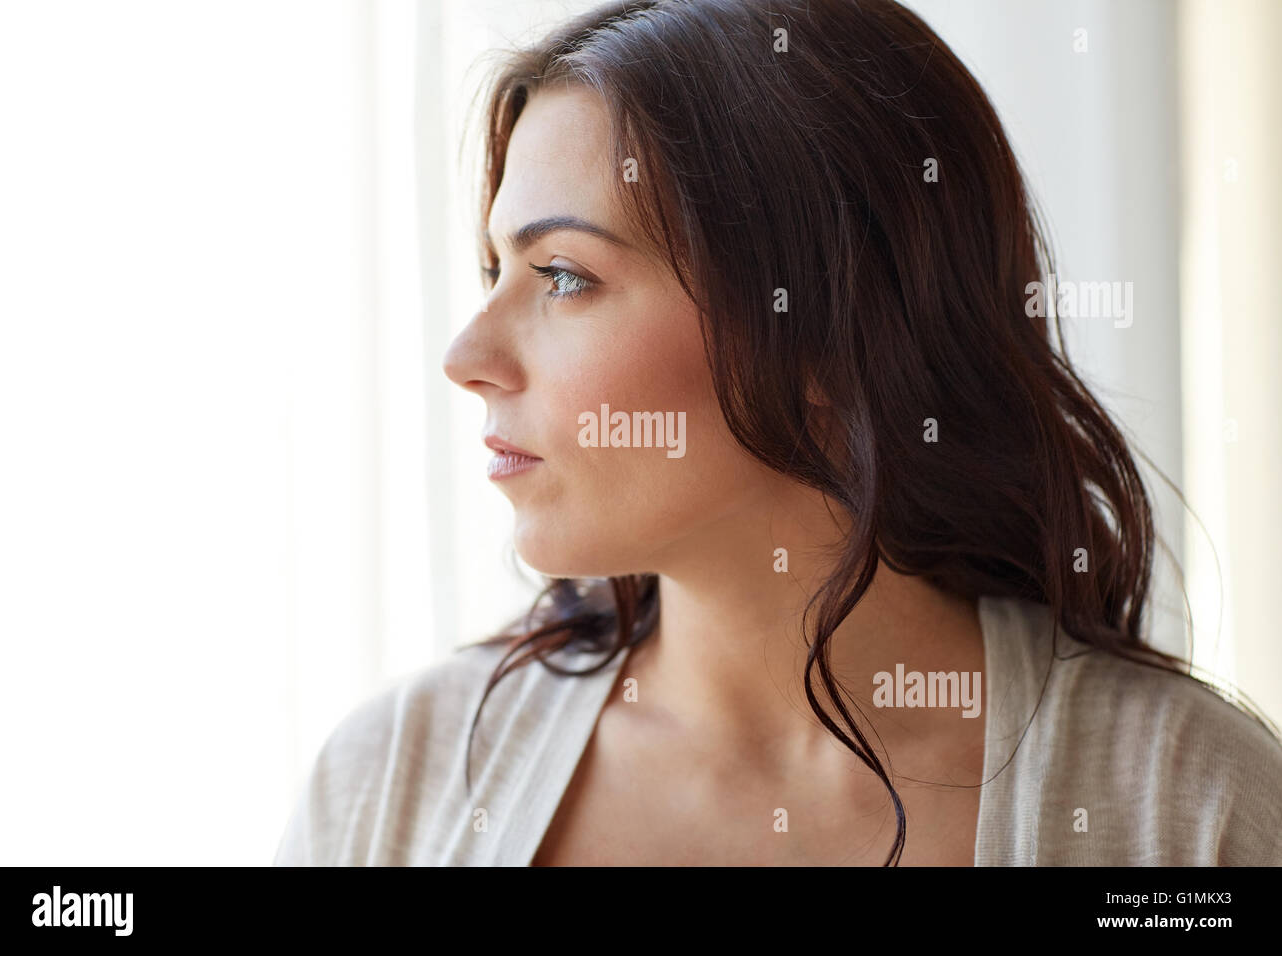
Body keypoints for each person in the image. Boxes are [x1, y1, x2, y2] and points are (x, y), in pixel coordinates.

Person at [273, 0, 1282, 866]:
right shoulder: (395, 785)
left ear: (823, 331)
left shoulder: (1179, 812)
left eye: (564, 277)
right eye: (492, 271)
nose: (466, 352)